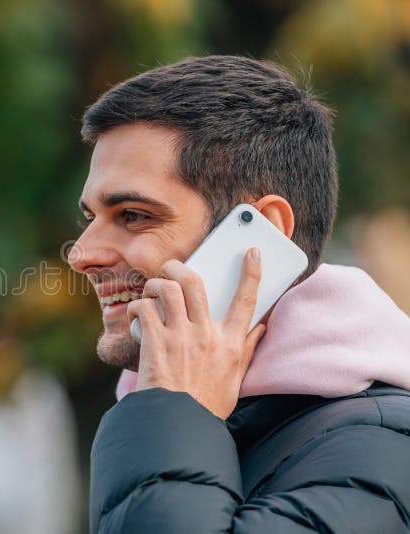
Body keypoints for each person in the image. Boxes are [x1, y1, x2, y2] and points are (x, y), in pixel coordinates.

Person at [67, 55, 410, 533]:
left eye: (133, 215)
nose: (81, 255)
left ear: (262, 236)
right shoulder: (161, 420)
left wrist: (173, 410)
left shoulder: (385, 452)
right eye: (90, 220)